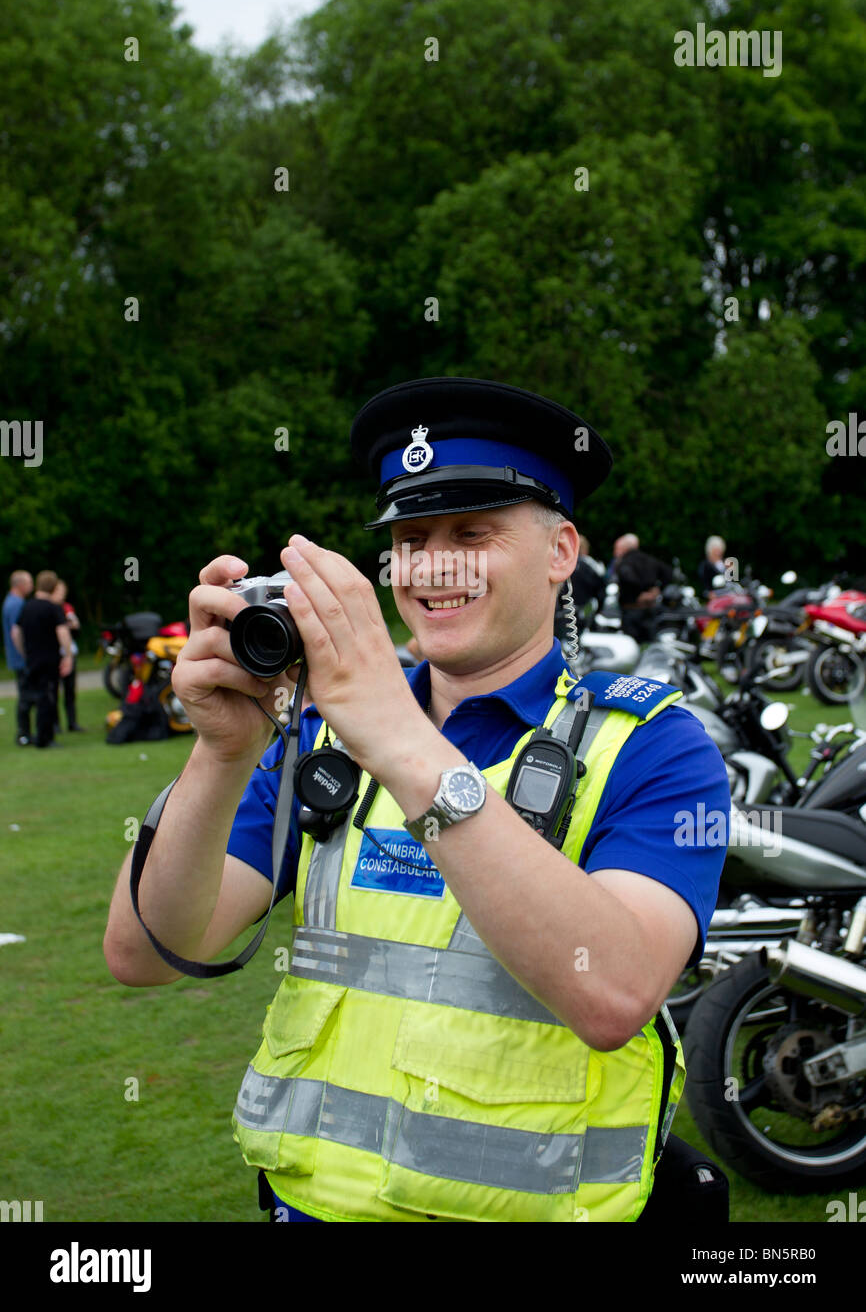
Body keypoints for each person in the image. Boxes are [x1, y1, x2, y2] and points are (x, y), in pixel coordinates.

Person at [104, 377, 730, 1224]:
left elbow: (613, 995)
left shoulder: (654, 745)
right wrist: (221, 752)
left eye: (472, 533)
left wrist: (401, 739)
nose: (433, 564)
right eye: (410, 536)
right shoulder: (321, 734)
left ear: (560, 553)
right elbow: (147, 952)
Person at [12, 570, 74, 748]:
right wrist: (68, 655)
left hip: (32, 659)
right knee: (47, 698)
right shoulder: (52, 607)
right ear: (54, 587)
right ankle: (44, 738)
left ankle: (30, 732)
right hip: (49, 659)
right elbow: (62, 632)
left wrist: (24, 652)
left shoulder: (27, 606)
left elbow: (15, 632)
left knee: (34, 696)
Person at [615, 534, 674, 644]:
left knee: (631, 643)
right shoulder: (650, 560)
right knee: (649, 642)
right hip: (650, 608)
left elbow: (628, 578)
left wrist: (639, 594)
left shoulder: (624, 562)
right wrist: (656, 590)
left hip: (631, 609)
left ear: (624, 548)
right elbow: (669, 573)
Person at [3, 569, 33, 745]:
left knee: (26, 695)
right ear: (20, 585)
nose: (32, 586)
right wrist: (26, 655)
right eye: (29, 582)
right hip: (21, 659)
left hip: (17, 657)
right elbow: (16, 633)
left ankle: (25, 732)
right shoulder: (16, 604)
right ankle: (23, 733)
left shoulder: (11, 601)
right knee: (26, 696)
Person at [50, 578, 85, 732]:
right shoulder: (49, 608)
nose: (62, 595)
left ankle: (72, 722)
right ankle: (55, 723)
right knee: (53, 690)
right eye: (59, 591)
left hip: (69, 651)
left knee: (70, 690)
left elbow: (75, 627)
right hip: (54, 653)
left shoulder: (67, 607)